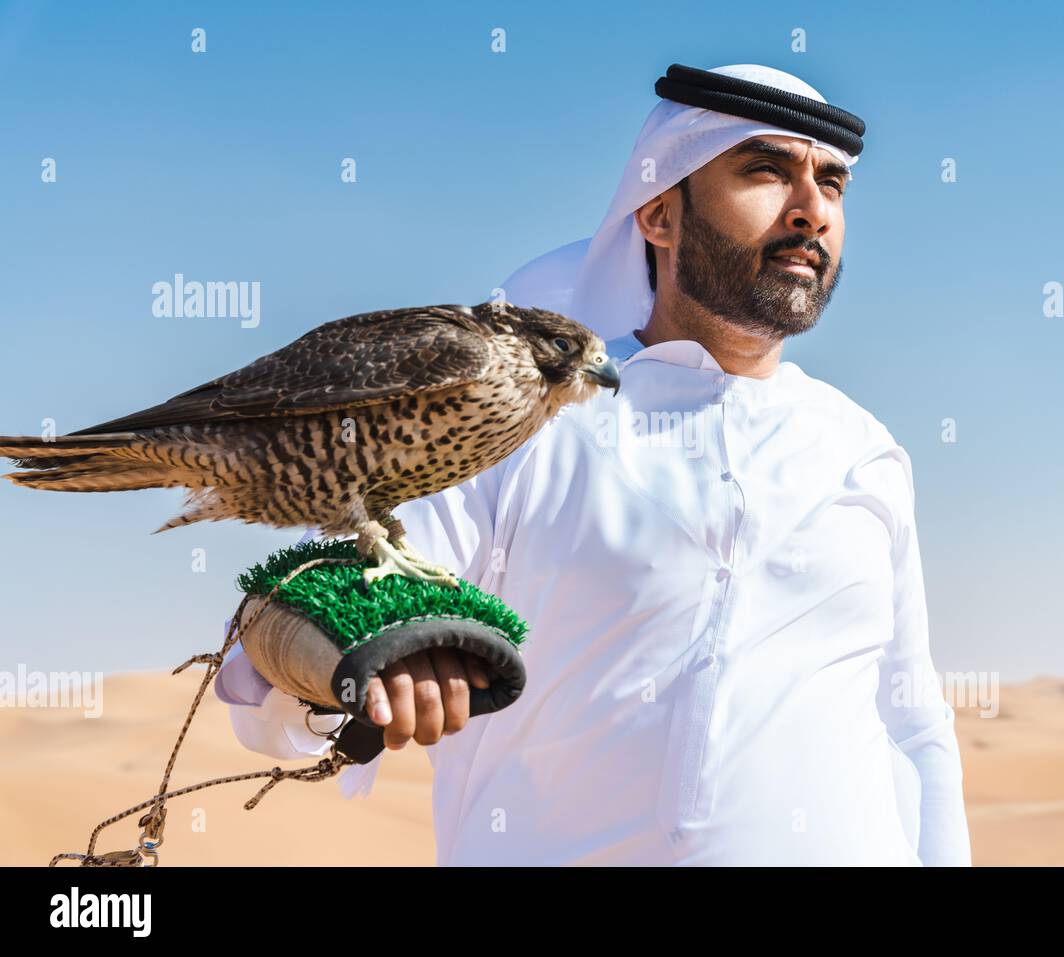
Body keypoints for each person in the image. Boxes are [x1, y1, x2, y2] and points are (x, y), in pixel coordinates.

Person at [215, 62, 972, 866]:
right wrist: (359, 661)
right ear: (657, 215)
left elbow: (913, 723)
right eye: (765, 170)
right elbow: (297, 629)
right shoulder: (520, 419)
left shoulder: (865, 450)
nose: (811, 210)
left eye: (833, 183)